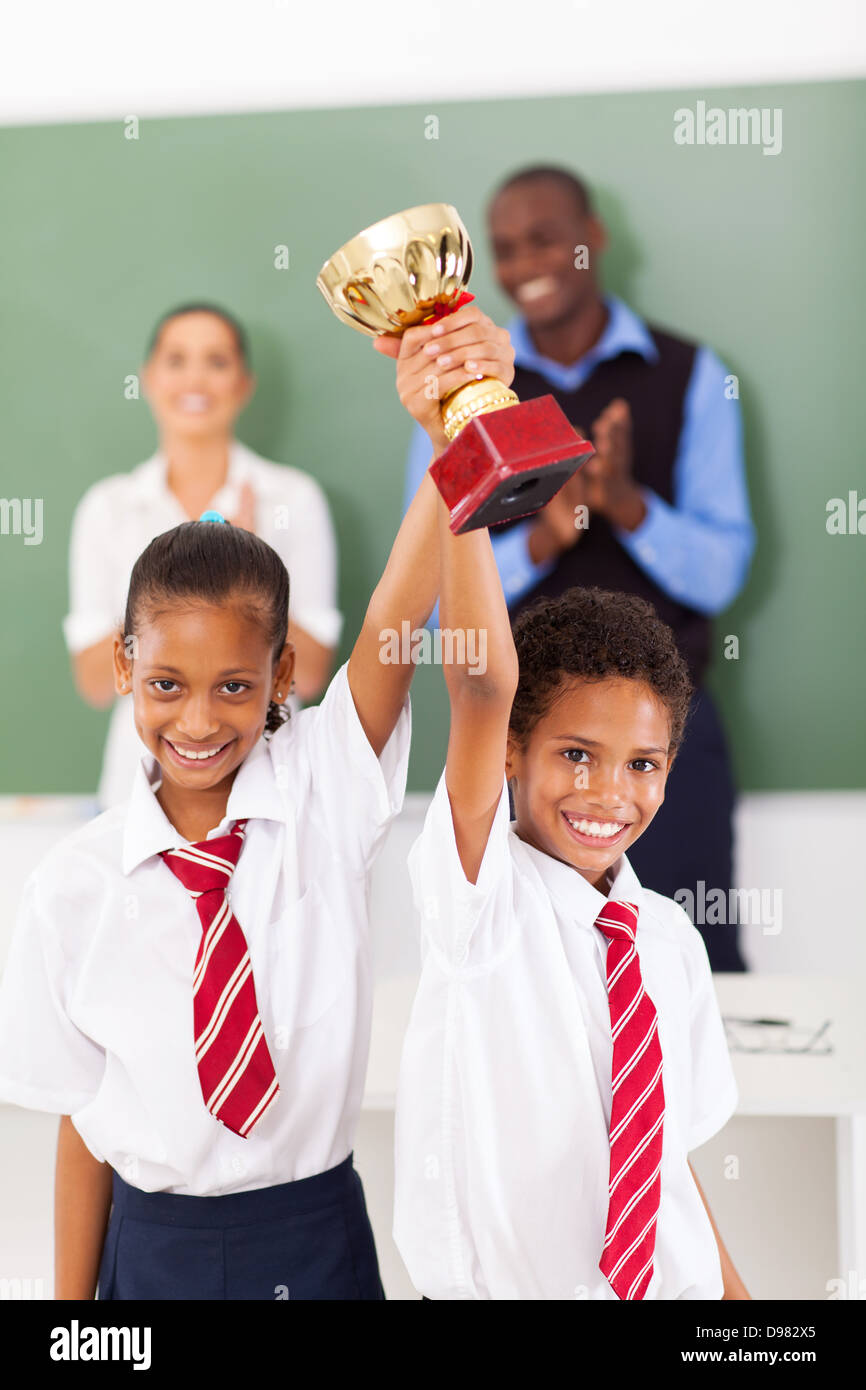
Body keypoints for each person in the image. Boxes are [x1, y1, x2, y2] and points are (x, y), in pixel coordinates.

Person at [0, 304, 513, 1299]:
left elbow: (394, 620)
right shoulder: (75, 885)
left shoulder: (322, 788)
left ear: (283, 675)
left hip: (310, 1235)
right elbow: (81, 1122)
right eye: (165, 685)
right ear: (123, 668)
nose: (198, 720)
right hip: (150, 1250)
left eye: (235, 686)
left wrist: (449, 426)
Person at [391, 329, 749, 1297]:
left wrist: (741, 1308)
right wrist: (456, 448)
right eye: (573, 755)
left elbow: (660, 1162)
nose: (605, 792)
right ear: (511, 750)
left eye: (639, 763)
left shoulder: (665, 940)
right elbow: (476, 678)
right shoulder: (483, 903)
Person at [403, 167, 756, 972]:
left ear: (594, 238)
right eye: (502, 248)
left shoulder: (692, 374)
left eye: (545, 237)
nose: (523, 261)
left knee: (685, 960)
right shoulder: (464, 392)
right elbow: (426, 591)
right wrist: (543, 535)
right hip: (515, 740)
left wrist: (630, 507)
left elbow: (722, 570)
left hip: (661, 743)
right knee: (513, 968)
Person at [65, 302, 342, 810]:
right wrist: (177, 586)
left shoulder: (292, 499)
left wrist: (250, 574)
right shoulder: (108, 508)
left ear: (243, 384)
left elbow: (313, 670)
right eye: (176, 360)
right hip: (138, 791)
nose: (195, 377)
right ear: (149, 378)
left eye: (216, 362)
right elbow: (93, 681)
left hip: (271, 784)